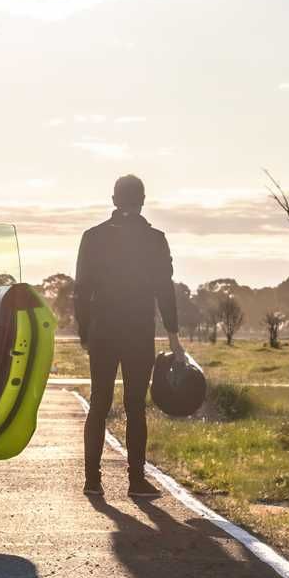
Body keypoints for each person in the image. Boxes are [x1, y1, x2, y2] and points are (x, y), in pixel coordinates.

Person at [74, 174, 181, 497]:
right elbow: (165, 290)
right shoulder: (155, 239)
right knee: (135, 405)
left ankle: (92, 480)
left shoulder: (92, 237)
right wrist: (173, 335)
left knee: (99, 402)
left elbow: (81, 290)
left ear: (113, 200)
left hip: (103, 331)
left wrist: (85, 331)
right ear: (143, 201)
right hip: (138, 331)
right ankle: (136, 481)